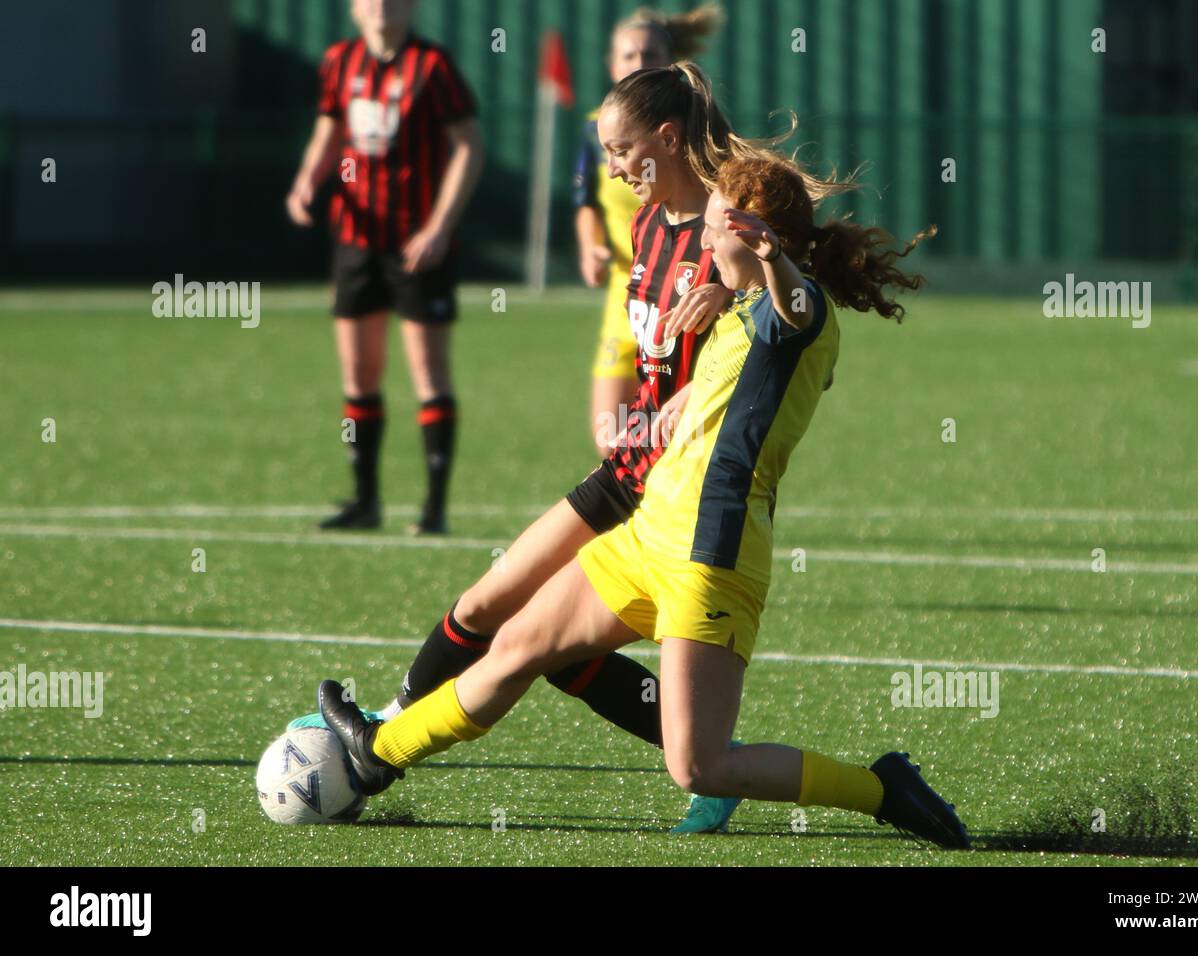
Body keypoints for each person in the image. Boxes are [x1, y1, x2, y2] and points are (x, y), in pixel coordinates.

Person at [320, 152, 969, 849]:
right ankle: (376, 754)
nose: (705, 243)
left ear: (754, 238)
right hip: (648, 532)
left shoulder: (794, 309)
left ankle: (882, 789)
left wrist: (775, 262)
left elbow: (798, 308)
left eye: (717, 229)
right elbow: (736, 369)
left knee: (697, 764)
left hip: (710, 555)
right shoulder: (742, 306)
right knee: (515, 646)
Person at [296, 62, 782, 831]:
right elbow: (643, 346)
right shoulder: (647, 224)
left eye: (622, 151)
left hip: (683, 493)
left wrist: (735, 286)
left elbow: (781, 329)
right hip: (627, 471)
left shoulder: (731, 221)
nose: (614, 169)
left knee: (539, 645)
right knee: (494, 601)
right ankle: (382, 724)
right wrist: (632, 409)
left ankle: (375, 748)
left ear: (667, 137)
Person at [286, 0, 484, 534]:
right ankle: (364, 500)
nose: (381, 8)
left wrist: (440, 226)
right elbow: (329, 130)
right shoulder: (339, 61)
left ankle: (434, 508)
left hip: (418, 245)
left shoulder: (433, 67)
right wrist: (307, 180)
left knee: (428, 373)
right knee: (358, 374)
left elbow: (469, 145)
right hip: (356, 241)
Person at [575, 4, 723, 455]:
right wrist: (590, 248)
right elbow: (584, 202)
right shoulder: (594, 131)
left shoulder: (696, 130)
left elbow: (747, 210)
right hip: (629, 295)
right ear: (610, 63)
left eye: (650, 54)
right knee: (611, 440)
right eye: (628, 55)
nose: (638, 64)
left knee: (680, 440)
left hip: (689, 292)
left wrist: (734, 288)